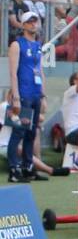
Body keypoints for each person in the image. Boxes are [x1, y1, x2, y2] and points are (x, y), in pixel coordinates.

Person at [7, 11, 45, 182]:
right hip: (23, 93)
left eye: (35, 21)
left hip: (36, 94)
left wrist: (43, 94)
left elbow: (40, 70)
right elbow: (13, 73)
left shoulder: (38, 45)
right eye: (29, 22)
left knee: (31, 133)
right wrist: (15, 96)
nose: (33, 24)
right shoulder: (17, 45)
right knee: (19, 132)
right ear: (23, 25)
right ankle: (14, 170)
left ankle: (28, 167)